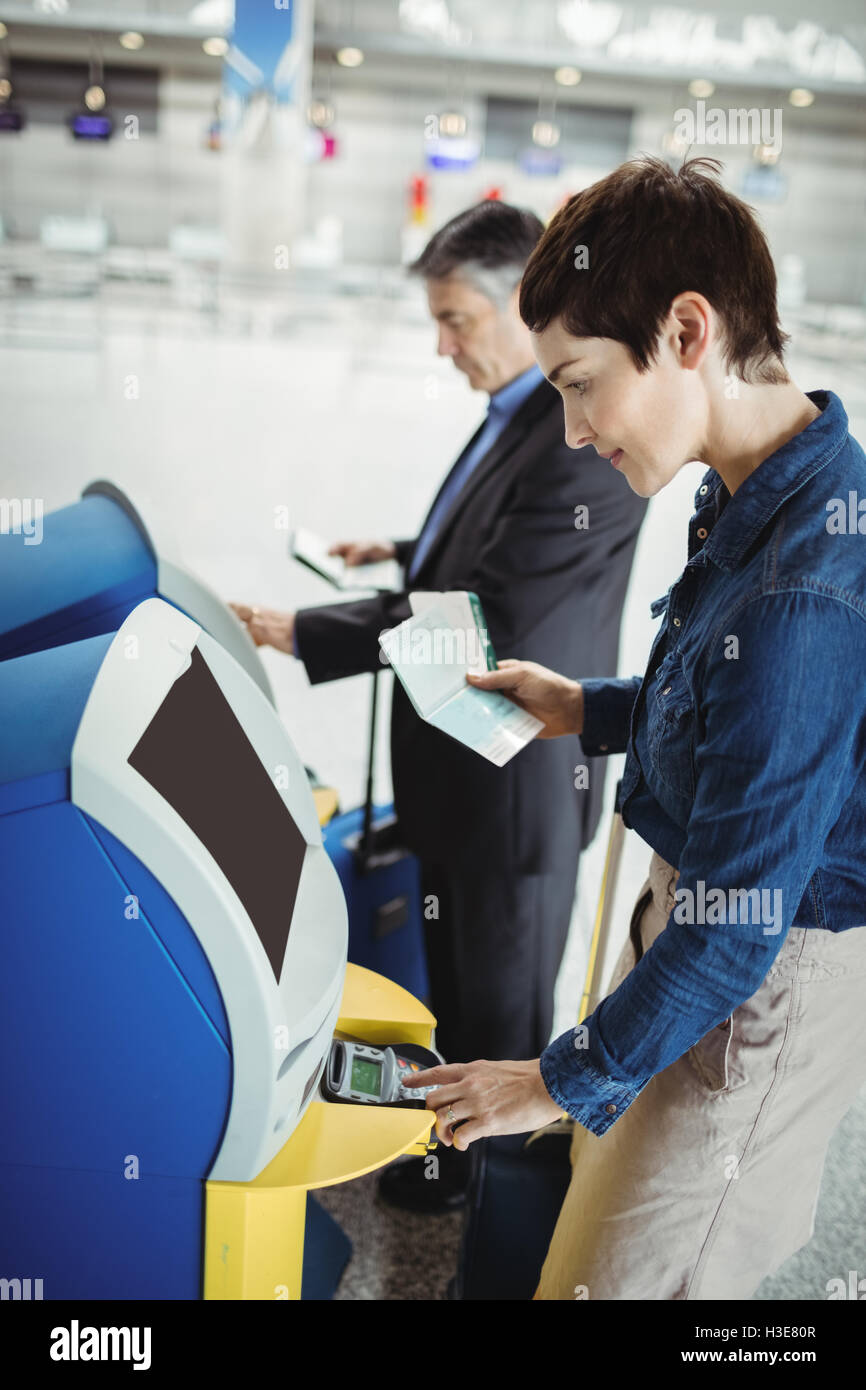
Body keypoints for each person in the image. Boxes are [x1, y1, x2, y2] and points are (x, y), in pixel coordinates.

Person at [402, 154, 866, 1298]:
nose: (568, 432)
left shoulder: (808, 581)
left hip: (746, 977)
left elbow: (740, 916)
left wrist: (549, 1080)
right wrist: (586, 706)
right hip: (697, 938)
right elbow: (726, 705)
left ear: (687, 330)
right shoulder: (750, 487)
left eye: (575, 382)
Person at [232, 199, 647, 1212]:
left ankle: (485, 1202)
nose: (440, 343)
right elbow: (475, 565)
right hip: (465, 778)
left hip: (514, 789)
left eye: (456, 317)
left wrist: (311, 630)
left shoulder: (569, 442)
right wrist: (403, 553)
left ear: (522, 299)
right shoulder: (514, 416)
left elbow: (492, 617)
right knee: (458, 993)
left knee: (500, 1015)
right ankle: (444, 1165)